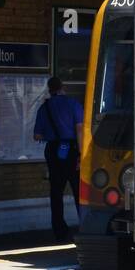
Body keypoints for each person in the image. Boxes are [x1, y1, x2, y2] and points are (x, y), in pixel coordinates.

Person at [34, 76, 83, 241]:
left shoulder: (44, 107)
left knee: (56, 191)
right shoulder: (73, 104)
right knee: (78, 190)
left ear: (49, 89)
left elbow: (37, 135)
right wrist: (82, 154)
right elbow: (79, 130)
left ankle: (59, 229)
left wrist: (51, 134)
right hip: (71, 149)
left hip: (53, 150)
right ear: (63, 87)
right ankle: (84, 225)